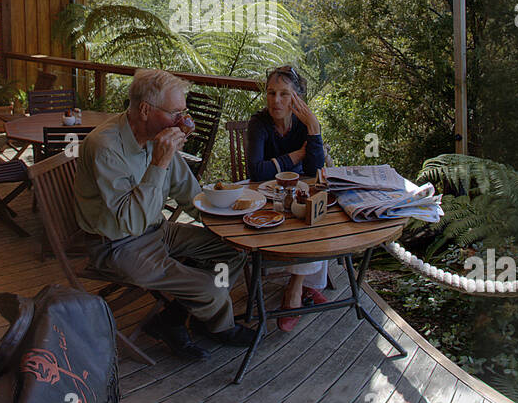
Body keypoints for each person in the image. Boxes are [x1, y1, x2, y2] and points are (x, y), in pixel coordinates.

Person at [67, 68, 253, 361]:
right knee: (212, 288)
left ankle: (173, 317)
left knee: (235, 249)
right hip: (117, 245)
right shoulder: (105, 146)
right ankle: (219, 325)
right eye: (175, 112)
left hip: (159, 230)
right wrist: (160, 163)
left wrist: (225, 223)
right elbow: (131, 221)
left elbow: (189, 194)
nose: (183, 121)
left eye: (184, 111)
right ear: (144, 109)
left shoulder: (157, 137)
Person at [246, 65, 333, 333]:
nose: (276, 101)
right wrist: (296, 156)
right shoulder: (259, 124)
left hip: (297, 196)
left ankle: (295, 289)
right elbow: (256, 171)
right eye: (271, 93)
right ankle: (304, 288)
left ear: (298, 99)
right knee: (310, 219)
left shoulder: (302, 126)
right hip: (265, 200)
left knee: (317, 216)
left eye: (285, 94)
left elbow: (314, 169)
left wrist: (313, 126)